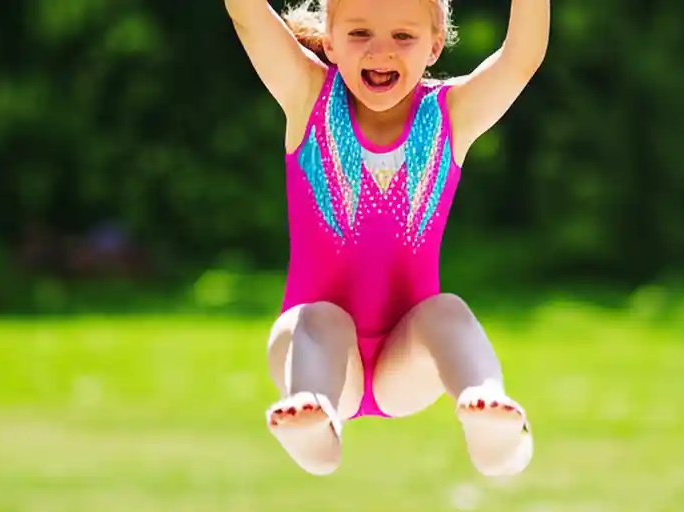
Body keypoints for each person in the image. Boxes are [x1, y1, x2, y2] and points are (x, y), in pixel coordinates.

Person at [224, 0, 549, 476]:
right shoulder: (309, 96)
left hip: (407, 359)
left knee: (447, 311)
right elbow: (248, 16)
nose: (380, 52)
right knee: (319, 318)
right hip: (316, 357)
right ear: (330, 43)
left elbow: (521, 57)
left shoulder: (449, 115)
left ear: (434, 46)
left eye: (403, 36)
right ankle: (313, 425)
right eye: (359, 34)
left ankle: (488, 417)